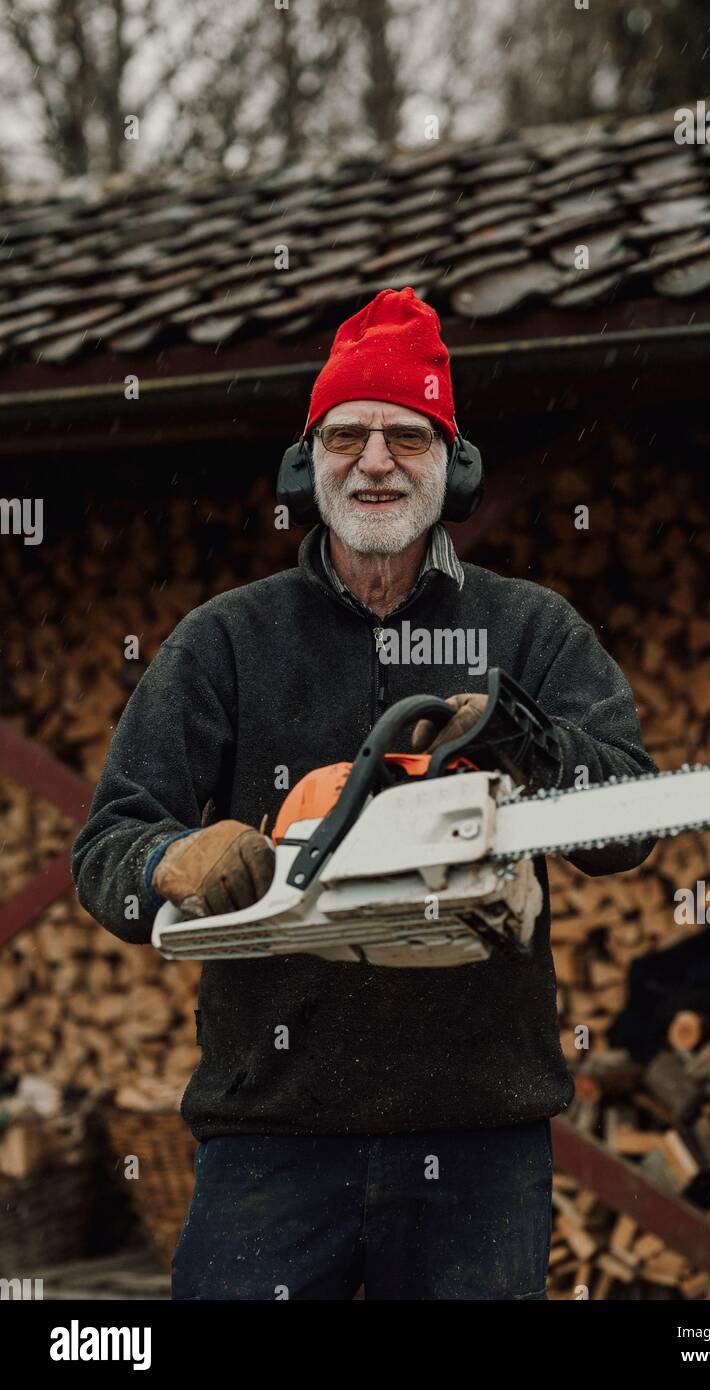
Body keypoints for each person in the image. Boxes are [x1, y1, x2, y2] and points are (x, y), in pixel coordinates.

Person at [71, 286, 657, 1301]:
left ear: (452, 465)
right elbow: (105, 848)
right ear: (307, 463)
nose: (375, 460)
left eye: (405, 434)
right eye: (346, 434)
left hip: (477, 1136)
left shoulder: (530, 630)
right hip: (271, 1139)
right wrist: (172, 860)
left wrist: (518, 734)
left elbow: (628, 824)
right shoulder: (226, 642)